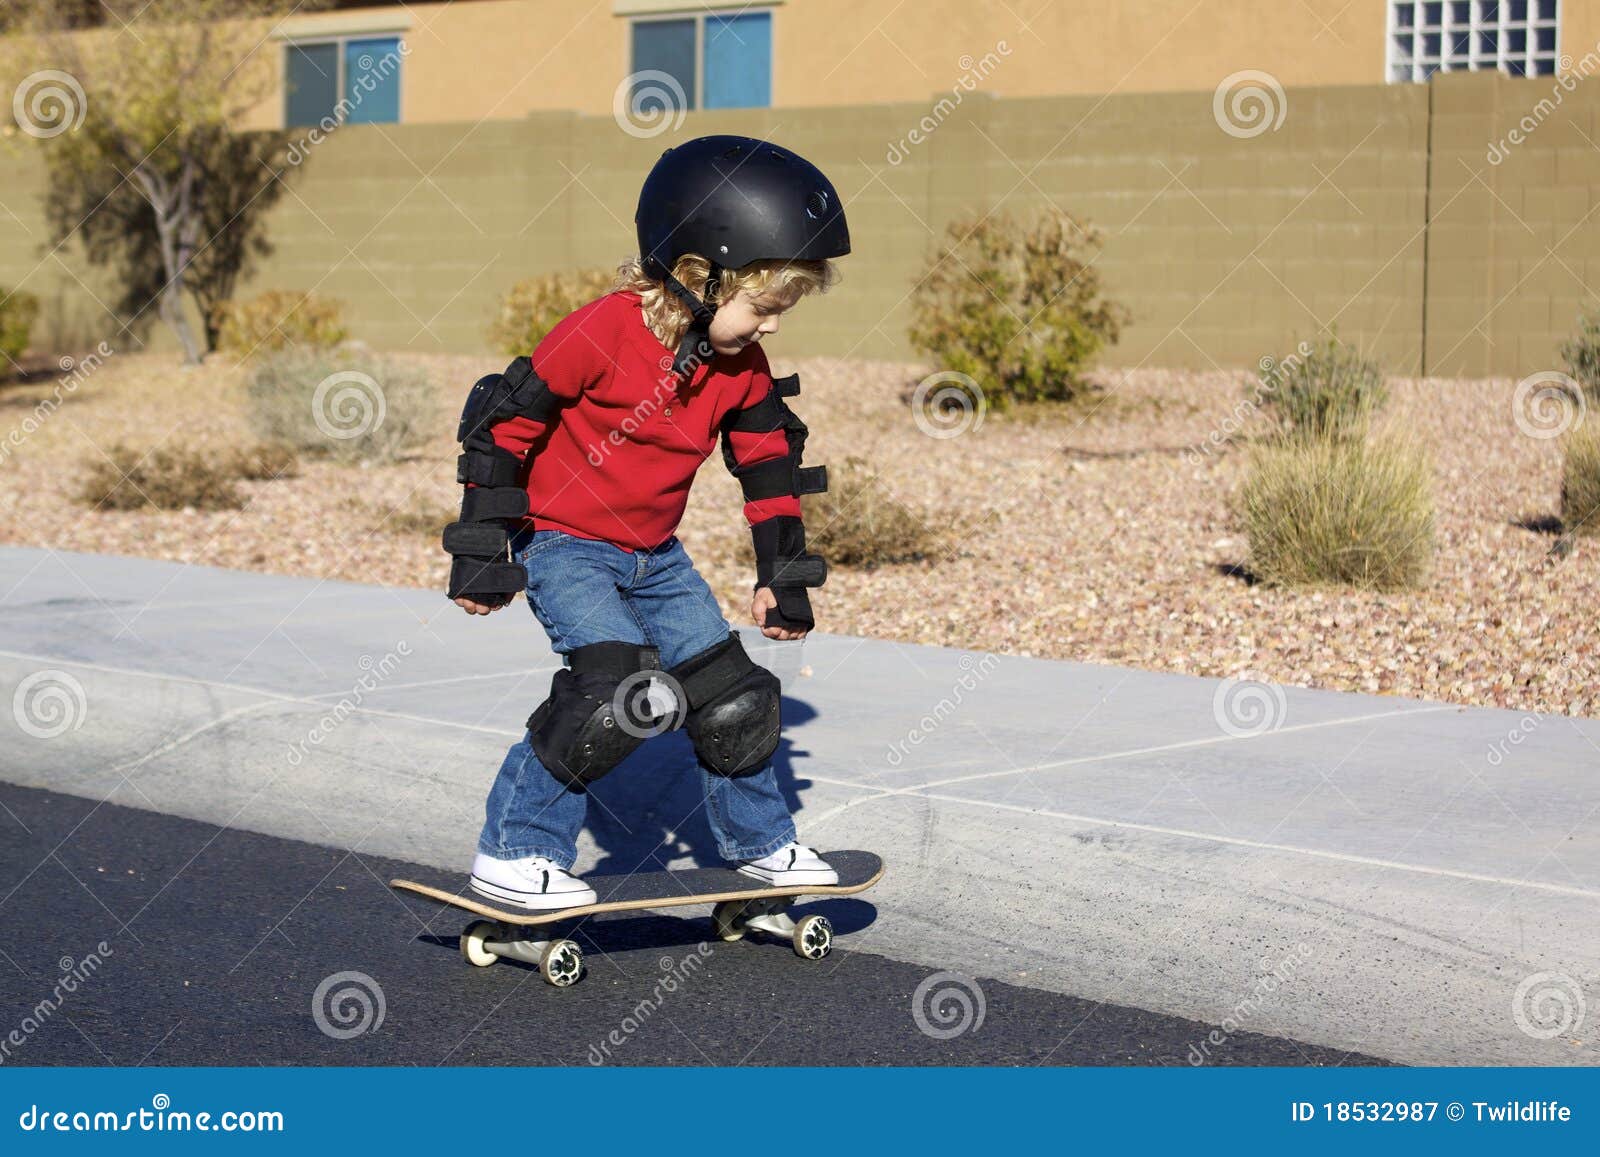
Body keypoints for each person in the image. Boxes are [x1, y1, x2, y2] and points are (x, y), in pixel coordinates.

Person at [442, 134, 850, 909]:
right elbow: (502, 429)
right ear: (699, 275)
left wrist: (782, 575)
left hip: (656, 556)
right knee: (611, 696)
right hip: (564, 544)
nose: (769, 327)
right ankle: (514, 850)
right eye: (763, 306)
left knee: (735, 699)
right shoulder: (603, 330)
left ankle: (761, 846)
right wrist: (483, 552)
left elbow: (768, 465)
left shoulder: (742, 370)